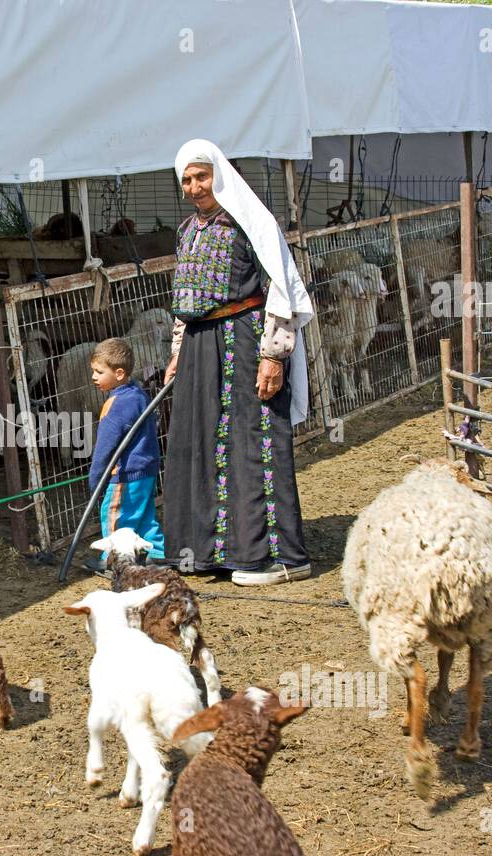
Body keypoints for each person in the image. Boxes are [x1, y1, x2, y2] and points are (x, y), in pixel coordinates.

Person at [162, 138, 315, 585]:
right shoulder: (188, 230)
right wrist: (177, 353)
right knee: (201, 444)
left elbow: (283, 288)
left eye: (201, 176)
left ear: (219, 175)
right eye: (186, 180)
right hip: (197, 347)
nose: (193, 187)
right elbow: (183, 299)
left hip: (243, 343)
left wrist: (274, 354)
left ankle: (279, 558)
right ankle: (209, 551)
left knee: (252, 442)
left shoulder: (251, 224)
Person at [83, 337, 166, 573]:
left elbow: (104, 447)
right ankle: (158, 554)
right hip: (147, 471)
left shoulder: (115, 405)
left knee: (116, 516)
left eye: (99, 372)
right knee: (144, 515)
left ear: (119, 373)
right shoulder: (139, 395)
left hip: (124, 475)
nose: (93, 377)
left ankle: (113, 560)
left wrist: (96, 478)